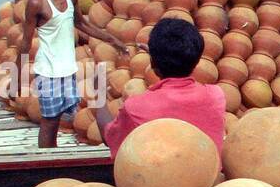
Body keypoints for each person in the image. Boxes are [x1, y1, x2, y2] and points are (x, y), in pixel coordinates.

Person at [22, 0, 130, 148]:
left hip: (68, 68)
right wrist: (17, 74)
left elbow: (81, 24)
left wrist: (113, 40)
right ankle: (46, 164)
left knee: (64, 116)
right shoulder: (36, 2)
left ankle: (53, 158)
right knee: (49, 121)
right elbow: (26, 40)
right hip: (48, 71)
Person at [95, 16, 226, 158]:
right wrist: (156, 57)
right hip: (207, 178)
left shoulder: (136, 107)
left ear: (152, 63)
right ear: (197, 61)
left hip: (159, 179)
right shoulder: (216, 97)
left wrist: (97, 94)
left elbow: (108, 136)